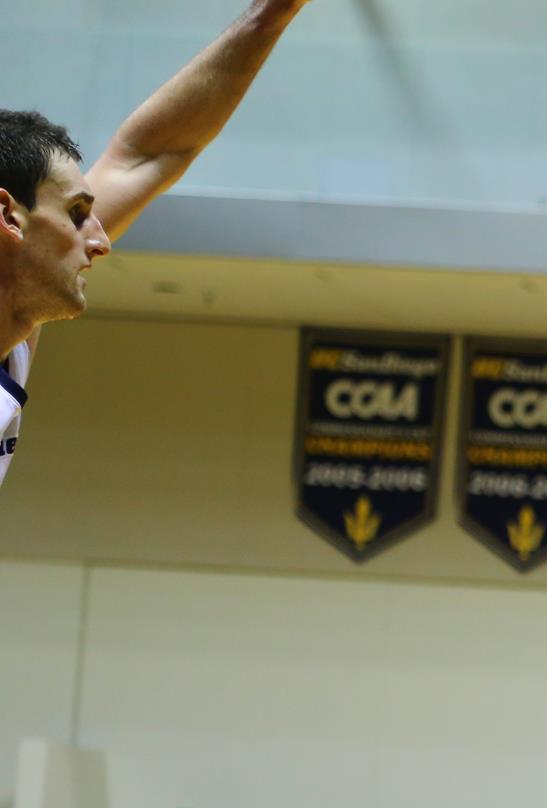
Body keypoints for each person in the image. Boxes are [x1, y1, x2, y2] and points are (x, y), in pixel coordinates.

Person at [1, 1, 315, 491]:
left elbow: (150, 153)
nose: (101, 240)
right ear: (8, 217)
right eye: (77, 215)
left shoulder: (15, 330)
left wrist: (271, 13)